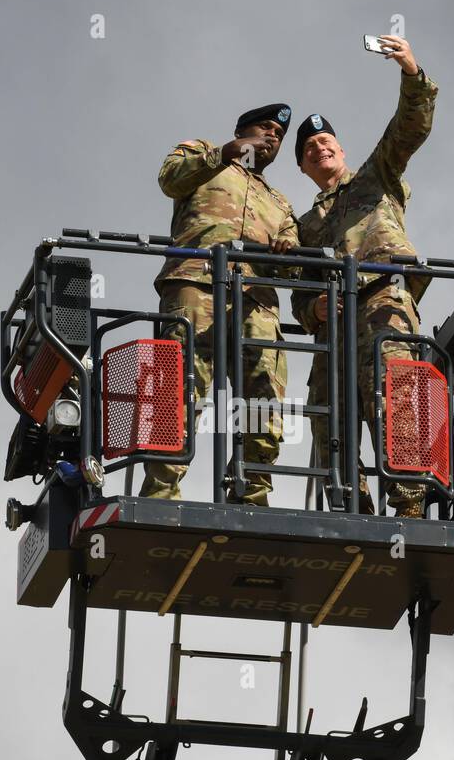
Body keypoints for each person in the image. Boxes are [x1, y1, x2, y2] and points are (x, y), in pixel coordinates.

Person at [291, 36, 437, 518]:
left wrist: (411, 73)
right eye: (309, 147)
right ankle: (352, 504)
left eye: (325, 140)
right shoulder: (304, 227)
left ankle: (410, 504)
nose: (319, 147)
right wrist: (311, 309)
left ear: (340, 147)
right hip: (333, 327)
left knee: (397, 394)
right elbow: (299, 290)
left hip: (382, 300)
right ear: (303, 165)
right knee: (326, 417)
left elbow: (408, 130)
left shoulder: (376, 177)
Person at [140, 104, 299, 506]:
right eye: (264, 128)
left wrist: (287, 251)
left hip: (255, 300)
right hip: (197, 285)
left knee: (263, 398)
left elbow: (296, 263)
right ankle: (161, 496)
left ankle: (251, 496)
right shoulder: (203, 153)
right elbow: (169, 180)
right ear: (241, 130)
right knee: (180, 387)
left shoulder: (279, 202)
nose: (271, 137)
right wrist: (225, 152)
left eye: (278, 135)